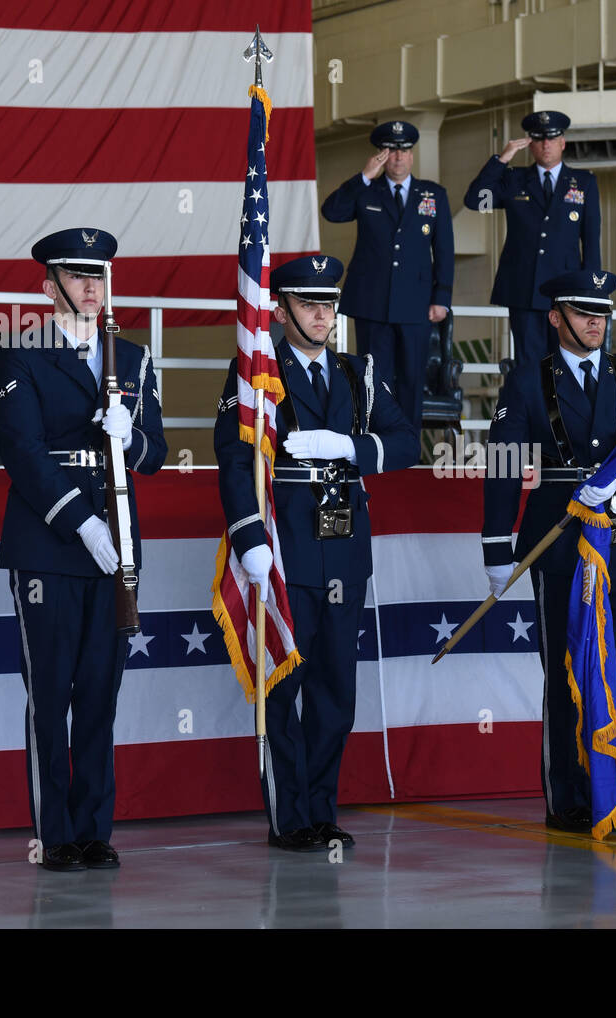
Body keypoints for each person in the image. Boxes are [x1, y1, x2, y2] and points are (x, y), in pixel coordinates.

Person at [214, 254, 418, 852]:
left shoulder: (360, 373)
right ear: (279, 311)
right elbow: (233, 459)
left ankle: (322, 809)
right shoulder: (257, 372)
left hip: (345, 549)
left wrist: (350, 445)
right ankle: (289, 815)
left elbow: (407, 442)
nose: (323, 314)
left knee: (336, 691)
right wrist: (251, 538)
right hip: (286, 549)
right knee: (283, 688)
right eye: (308, 303)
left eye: (328, 302)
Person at [0, 227, 166, 871]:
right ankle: (54, 833)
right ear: (50, 285)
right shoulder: (21, 356)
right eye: (78, 275)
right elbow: (25, 455)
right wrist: (83, 525)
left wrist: (130, 436)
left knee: (99, 692)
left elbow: (158, 453)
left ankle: (93, 830)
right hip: (50, 545)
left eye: (99, 276)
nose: (92, 287)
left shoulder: (134, 357)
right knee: (50, 693)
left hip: (116, 544)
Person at [482, 270, 616, 833]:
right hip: (558, 541)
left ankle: (605, 793)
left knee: (615, 671)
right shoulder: (527, 380)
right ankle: (567, 799)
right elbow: (506, 461)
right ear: (556, 317)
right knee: (566, 675)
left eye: (602, 312)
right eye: (583, 312)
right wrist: (496, 545)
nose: (596, 322)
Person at [321, 120, 453, 430]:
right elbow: (332, 211)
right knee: (373, 376)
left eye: (404, 151)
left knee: (412, 376)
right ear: (382, 155)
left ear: (411, 155)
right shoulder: (367, 191)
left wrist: (442, 297)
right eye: (391, 151)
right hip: (372, 303)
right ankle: (377, 441)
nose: (398, 157)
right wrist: (364, 177)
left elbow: (444, 250)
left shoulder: (432, 195)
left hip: (416, 303)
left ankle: (406, 445)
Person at [464, 110, 601, 370]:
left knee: (568, 361)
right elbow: (475, 201)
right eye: (538, 140)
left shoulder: (584, 183)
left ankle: (563, 413)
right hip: (524, 290)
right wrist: (501, 159)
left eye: (551, 139)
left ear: (563, 143)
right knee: (529, 364)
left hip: (566, 292)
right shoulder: (514, 179)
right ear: (530, 145)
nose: (545, 145)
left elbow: (591, 240)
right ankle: (535, 413)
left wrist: (590, 293)